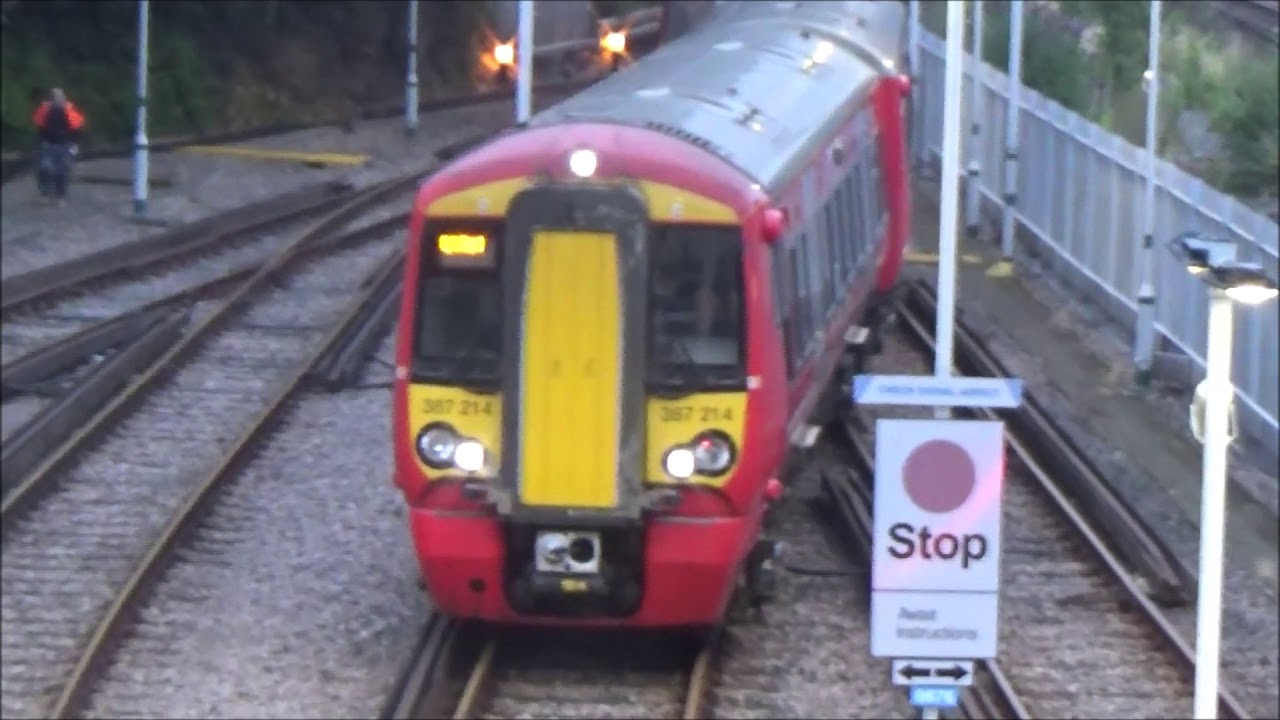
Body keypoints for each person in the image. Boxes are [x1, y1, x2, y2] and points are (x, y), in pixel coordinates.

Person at [32, 88, 86, 204]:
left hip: (65, 144)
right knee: (45, 168)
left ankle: (60, 196)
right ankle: (44, 194)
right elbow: (39, 125)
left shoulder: (69, 110)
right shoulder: (45, 109)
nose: (58, 99)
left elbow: (77, 127)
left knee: (62, 170)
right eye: (55, 96)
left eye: (60, 96)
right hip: (48, 143)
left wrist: (75, 144)